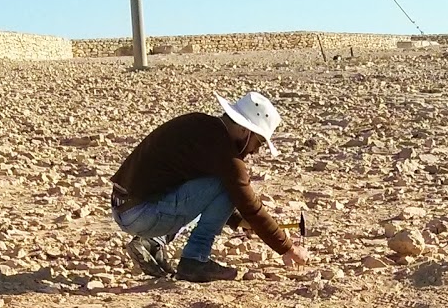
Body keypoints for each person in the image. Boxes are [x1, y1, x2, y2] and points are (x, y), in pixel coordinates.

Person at [110, 91, 310, 282]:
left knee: (225, 184)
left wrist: (239, 221)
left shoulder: (202, 127)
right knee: (227, 184)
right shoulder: (224, 152)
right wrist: (289, 248)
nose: (255, 151)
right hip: (141, 215)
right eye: (258, 142)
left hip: (125, 208)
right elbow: (250, 206)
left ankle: (154, 241)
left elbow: (202, 197)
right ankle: (195, 260)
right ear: (244, 130)